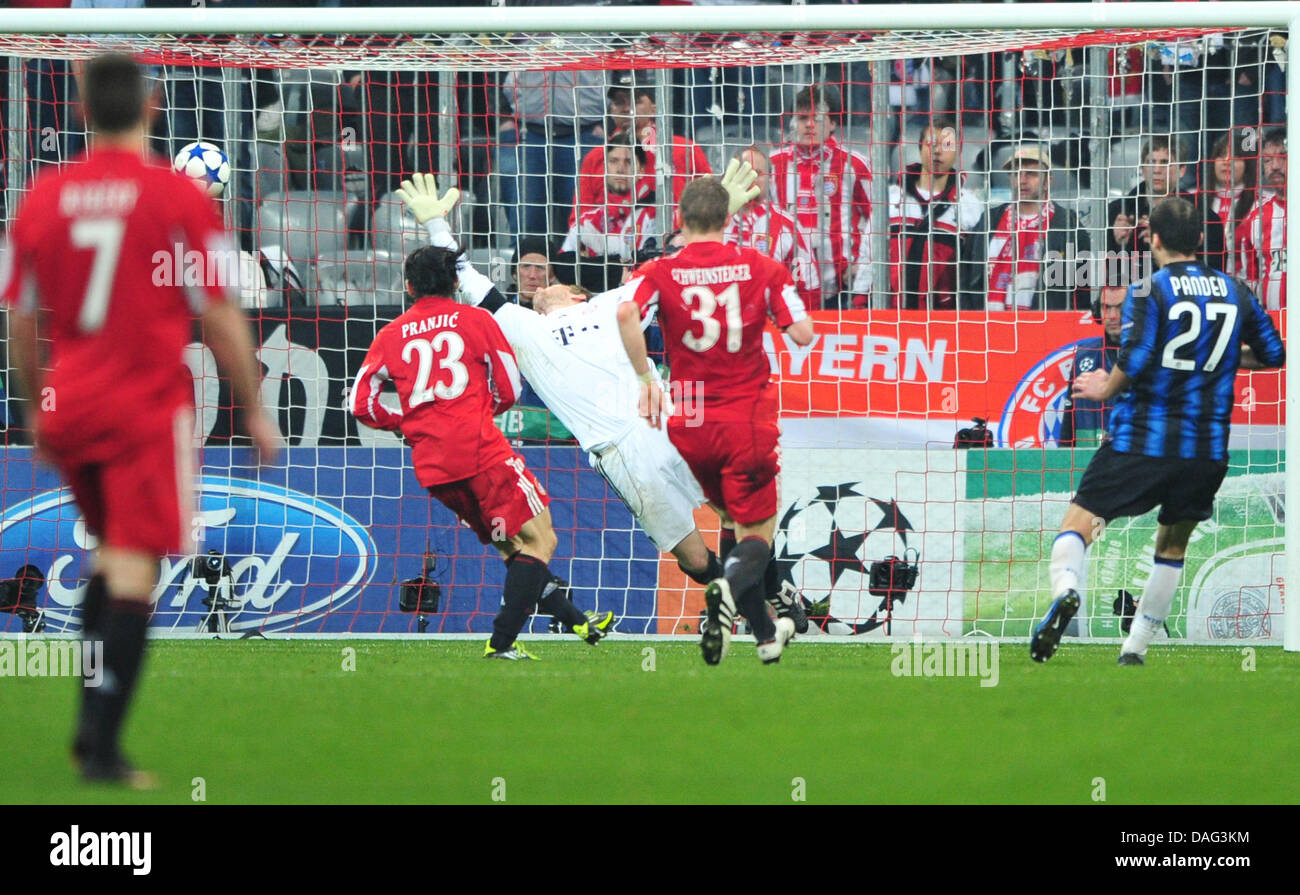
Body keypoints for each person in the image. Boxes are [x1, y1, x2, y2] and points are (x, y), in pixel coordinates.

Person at [0, 53, 282, 787]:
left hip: (72, 404)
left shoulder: (44, 196)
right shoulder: (176, 198)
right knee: (132, 569)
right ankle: (100, 745)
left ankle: (89, 728)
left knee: (109, 560)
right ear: (152, 109)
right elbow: (219, 311)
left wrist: (37, 408)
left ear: (84, 110)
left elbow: (21, 317)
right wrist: (252, 405)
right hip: (143, 409)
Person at [397, 170, 808, 632]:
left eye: (548, 286)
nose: (536, 292)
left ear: (575, 292)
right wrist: (436, 225)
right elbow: (466, 278)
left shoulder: (615, 301)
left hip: (667, 422)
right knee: (693, 559)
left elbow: (687, 264)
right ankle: (752, 598)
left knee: (736, 510)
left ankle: (767, 598)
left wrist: (720, 213)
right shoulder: (522, 327)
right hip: (619, 451)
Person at [1030, 197, 1285, 666]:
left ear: (1154, 239)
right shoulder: (1236, 289)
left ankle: (1067, 592)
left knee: (1079, 524)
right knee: (1172, 545)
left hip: (1144, 440)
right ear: (1202, 240)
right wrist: (1226, 358)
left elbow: (1139, 354)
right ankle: (1135, 650)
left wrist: (1106, 387)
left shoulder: (1150, 289)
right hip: (1207, 450)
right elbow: (1274, 354)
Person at [350, 243, 610, 661]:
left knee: (513, 547)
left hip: (434, 469)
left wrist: (406, 423)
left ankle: (578, 622)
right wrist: (479, 412)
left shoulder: (390, 334)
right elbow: (510, 386)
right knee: (542, 540)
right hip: (481, 451)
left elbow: (360, 404)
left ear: (410, 286)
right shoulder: (476, 320)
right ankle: (500, 641)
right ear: (455, 281)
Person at [619, 174, 816, 665]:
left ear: (681, 221)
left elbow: (625, 313)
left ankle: (766, 634)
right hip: (744, 414)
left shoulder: (660, 270)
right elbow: (804, 333)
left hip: (688, 420)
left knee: (729, 517)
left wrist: (646, 378)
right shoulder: (761, 266)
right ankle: (725, 595)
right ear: (730, 221)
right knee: (758, 534)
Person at [769, 85, 873, 309]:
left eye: (817, 118)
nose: (809, 124)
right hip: (787, 283)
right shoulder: (773, 164)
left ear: (833, 123)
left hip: (842, 286)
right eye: (802, 117)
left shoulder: (854, 164)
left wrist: (862, 265)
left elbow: (878, 221)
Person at [964, 146, 1091, 311]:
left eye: (1031, 174)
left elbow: (1083, 286)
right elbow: (966, 276)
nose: (1022, 180)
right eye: (1016, 174)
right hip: (989, 328)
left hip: (1046, 330)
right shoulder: (989, 220)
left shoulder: (1068, 225)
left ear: (1048, 181)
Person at [572, 84, 711, 227]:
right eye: (619, 102)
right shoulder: (596, 157)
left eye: (635, 101)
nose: (626, 109)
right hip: (611, 245)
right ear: (611, 111)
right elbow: (579, 221)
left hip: (677, 242)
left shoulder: (684, 149)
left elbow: (710, 204)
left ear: (654, 109)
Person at [885, 116, 982, 310]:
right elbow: (869, 252)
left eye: (946, 145)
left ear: (958, 151)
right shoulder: (890, 198)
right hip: (890, 312)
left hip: (945, 317)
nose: (938, 151)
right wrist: (860, 300)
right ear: (920, 148)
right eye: (931, 144)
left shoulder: (971, 205)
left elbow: (975, 269)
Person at [1106, 136, 1224, 277]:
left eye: (1165, 163)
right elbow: (1101, 274)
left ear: (1182, 170)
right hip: (1133, 294)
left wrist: (1167, 246)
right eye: (1151, 162)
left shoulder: (1203, 217)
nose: (1156, 169)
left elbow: (1213, 275)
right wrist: (1119, 244)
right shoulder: (1117, 212)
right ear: (1142, 169)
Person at [723, 146, 821, 309]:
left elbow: (809, 289)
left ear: (770, 179)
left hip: (771, 326)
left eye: (758, 173)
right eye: (745, 173)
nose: (751, 179)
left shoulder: (787, 225)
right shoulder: (712, 220)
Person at [560, 131, 658, 292]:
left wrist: (592, 265)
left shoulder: (655, 215)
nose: (620, 169)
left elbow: (650, 268)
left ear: (641, 170)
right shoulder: (588, 221)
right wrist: (618, 269)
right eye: (613, 161)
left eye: (628, 162)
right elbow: (564, 268)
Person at [1058, 284, 1125, 448]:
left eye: (1121, 307)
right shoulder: (1084, 355)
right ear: (1097, 311)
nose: (1113, 316)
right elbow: (1069, 421)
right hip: (1086, 463)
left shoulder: (1150, 356)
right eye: (1106, 307)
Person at [1236, 129, 1287, 310]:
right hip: (1275, 326)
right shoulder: (1256, 219)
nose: (1274, 166)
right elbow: (1247, 279)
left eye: (1282, 157)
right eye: (1267, 160)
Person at [1202, 129, 1256, 277]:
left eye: (1236, 156)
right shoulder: (1195, 201)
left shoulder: (1262, 203)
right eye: (1220, 155)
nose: (1226, 161)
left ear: (1247, 164)